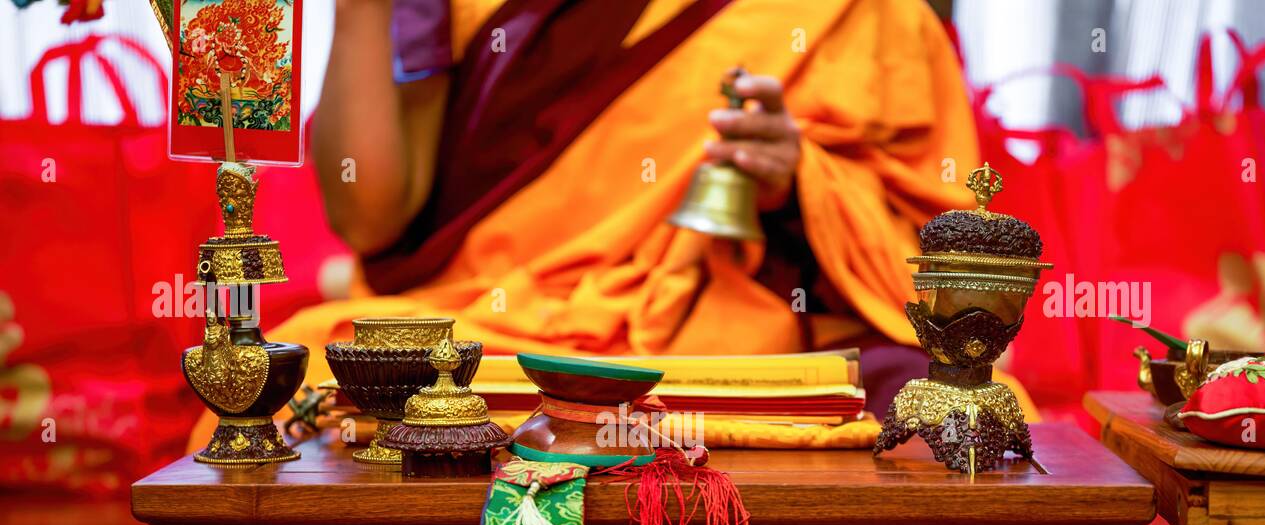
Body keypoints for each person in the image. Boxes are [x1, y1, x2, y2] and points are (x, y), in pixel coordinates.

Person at [276, 0, 1006, 418]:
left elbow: (935, 259)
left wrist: (797, 178)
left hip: (738, 326)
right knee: (297, 381)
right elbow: (370, 216)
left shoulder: (855, 11)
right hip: (494, 318)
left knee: (949, 409)